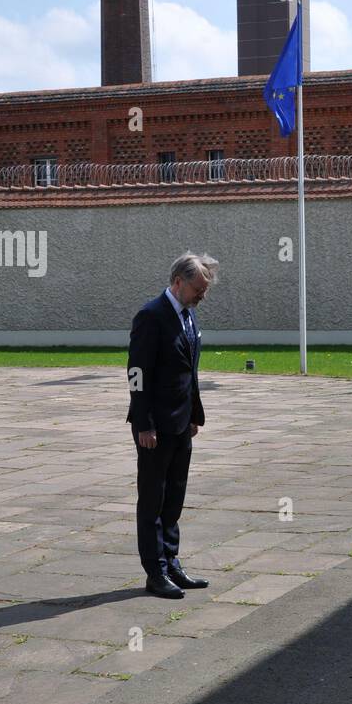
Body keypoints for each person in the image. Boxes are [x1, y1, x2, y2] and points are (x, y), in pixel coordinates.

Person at [127, 252, 218, 599]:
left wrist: (194, 414)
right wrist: (143, 423)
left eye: (205, 290)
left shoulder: (188, 316)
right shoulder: (151, 317)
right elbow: (137, 375)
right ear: (178, 282)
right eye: (198, 288)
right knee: (153, 499)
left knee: (174, 498)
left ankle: (172, 562)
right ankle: (155, 572)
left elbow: (188, 373)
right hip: (155, 427)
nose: (201, 296)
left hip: (182, 424)